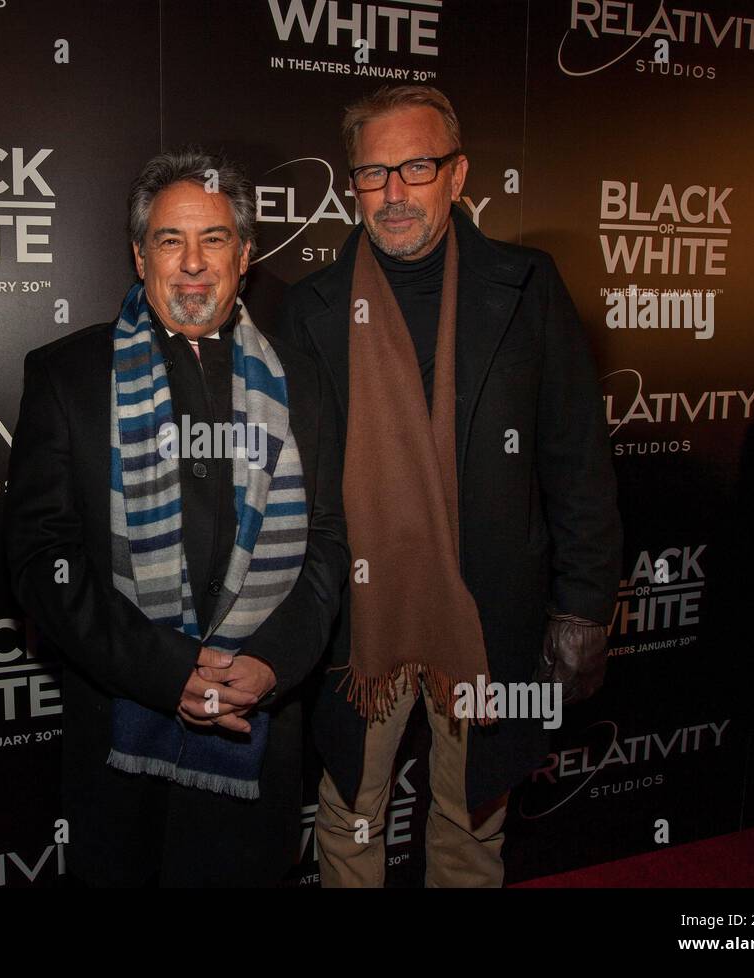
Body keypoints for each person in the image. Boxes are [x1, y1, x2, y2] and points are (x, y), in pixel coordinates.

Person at [275, 85, 622, 887]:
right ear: (351, 185)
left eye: (417, 167)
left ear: (458, 175)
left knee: (473, 819)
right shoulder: (309, 309)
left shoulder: (527, 286)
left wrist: (584, 603)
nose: (394, 194)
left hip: (490, 612)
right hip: (356, 626)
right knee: (351, 813)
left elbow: (576, 457)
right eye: (373, 174)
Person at [4, 149, 349, 887]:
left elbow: (327, 545)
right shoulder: (67, 376)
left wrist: (272, 665)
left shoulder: (304, 384)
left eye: (215, 238)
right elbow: (41, 558)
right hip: (122, 737)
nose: (193, 263)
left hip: (261, 729)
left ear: (246, 255)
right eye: (169, 240)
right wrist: (168, 672)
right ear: (140, 255)